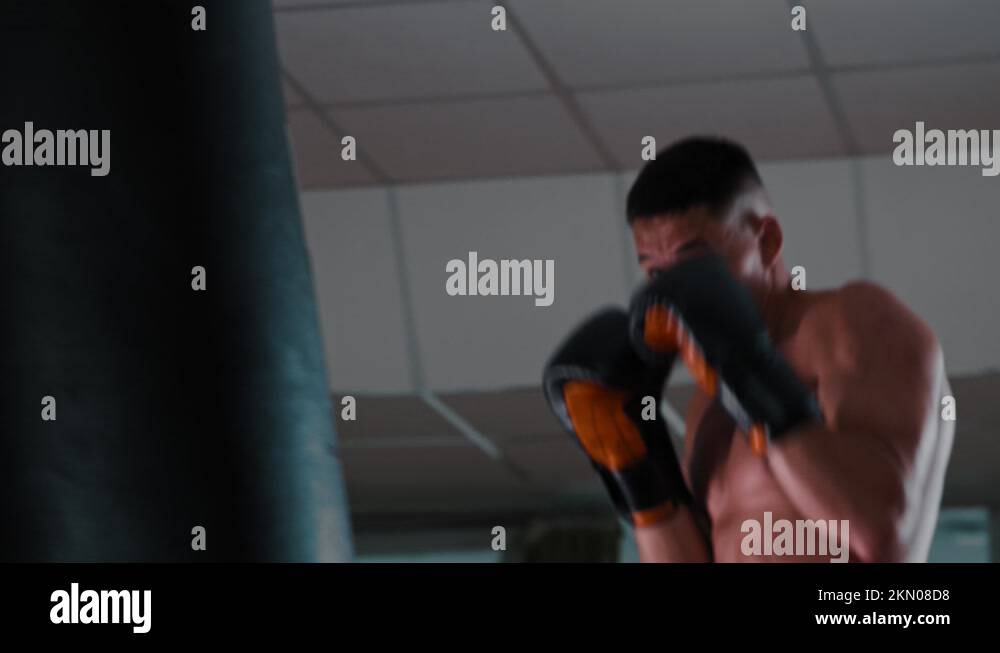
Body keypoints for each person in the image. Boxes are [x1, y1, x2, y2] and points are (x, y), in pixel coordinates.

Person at [543, 137, 954, 562]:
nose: (676, 291)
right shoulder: (709, 404)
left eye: (696, 265)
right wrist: (638, 474)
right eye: (657, 273)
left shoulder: (856, 319)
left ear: (768, 240)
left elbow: (883, 537)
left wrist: (754, 380)